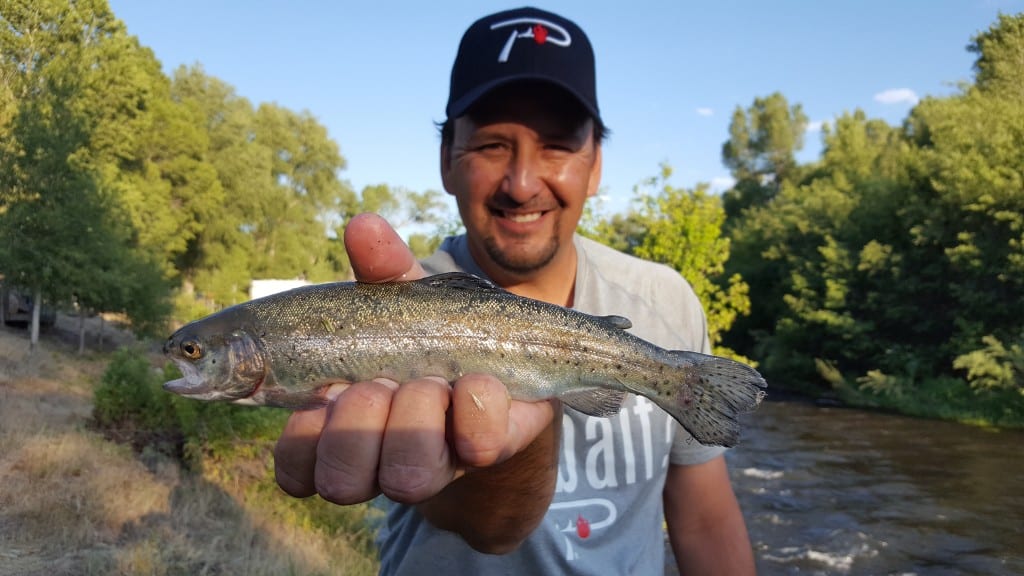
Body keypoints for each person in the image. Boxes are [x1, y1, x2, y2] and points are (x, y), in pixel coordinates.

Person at [273, 7, 755, 574]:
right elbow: (484, 527)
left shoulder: (666, 300)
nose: (522, 184)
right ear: (446, 161)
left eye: (556, 145)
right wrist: (501, 455)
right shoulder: (388, 311)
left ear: (596, 165)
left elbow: (703, 517)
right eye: (492, 145)